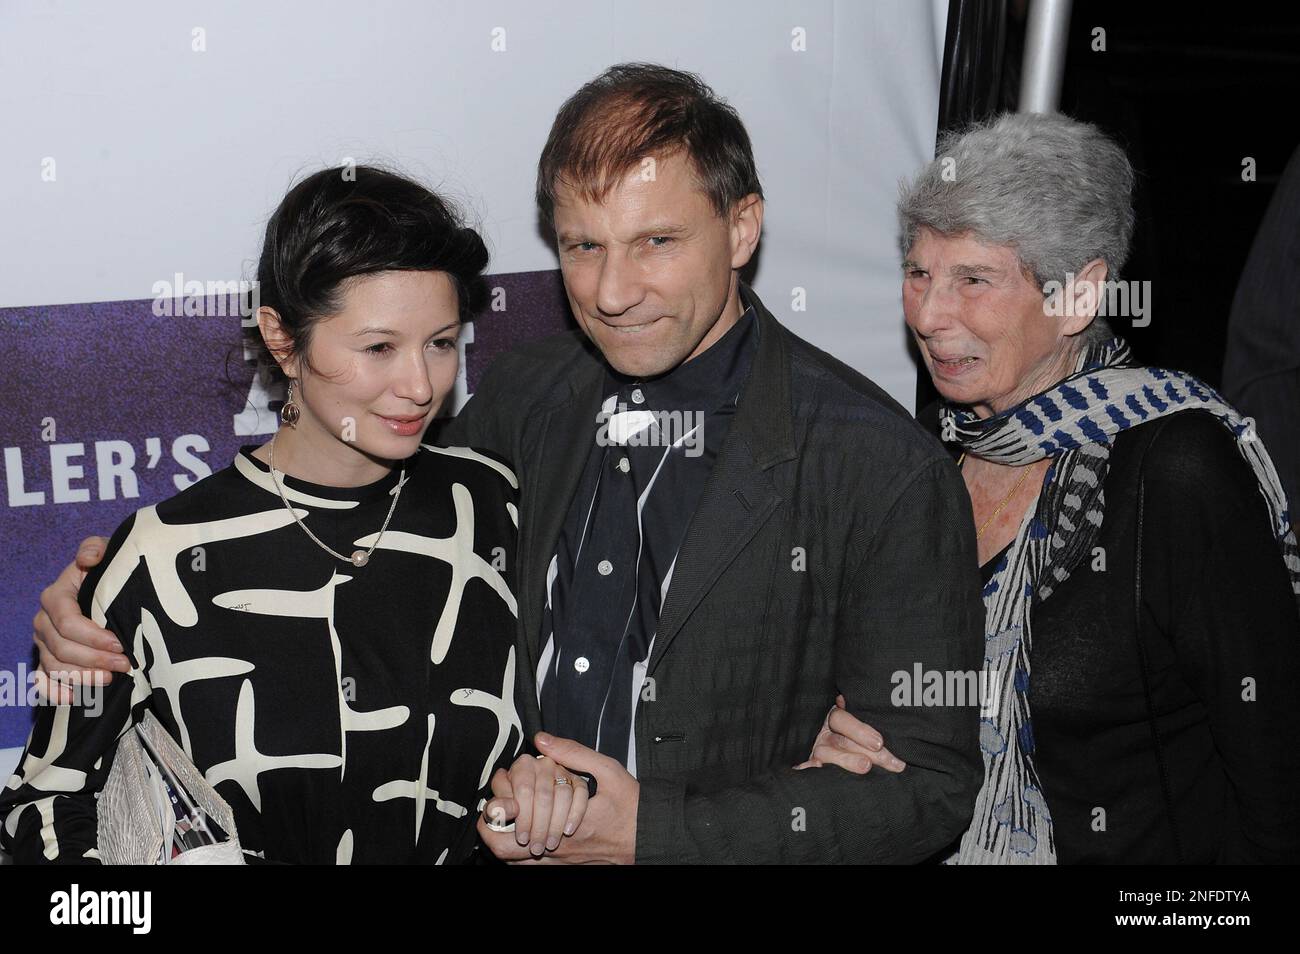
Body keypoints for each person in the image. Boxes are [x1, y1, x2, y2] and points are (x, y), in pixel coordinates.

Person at [32, 64, 986, 864]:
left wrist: (659, 832)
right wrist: (85, 618)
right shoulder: (532, 400)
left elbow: (930, 789)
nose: (612, 292)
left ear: (741, 229)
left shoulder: (877, 463)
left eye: (656, 242)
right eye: (582, 246)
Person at [1, 166, 555, 864]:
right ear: (283, 338)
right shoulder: (161, 555)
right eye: (379, 347)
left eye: (441, 343)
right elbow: (42, 809)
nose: (420, 386)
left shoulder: (496, 506)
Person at [817, 112, 1300, 863]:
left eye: (973, 279)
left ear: (1078, 296)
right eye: (919, 273)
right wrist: (845, 739)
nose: (930, 314)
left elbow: (1278, 778)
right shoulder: (920, 461)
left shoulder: (1175, 467)